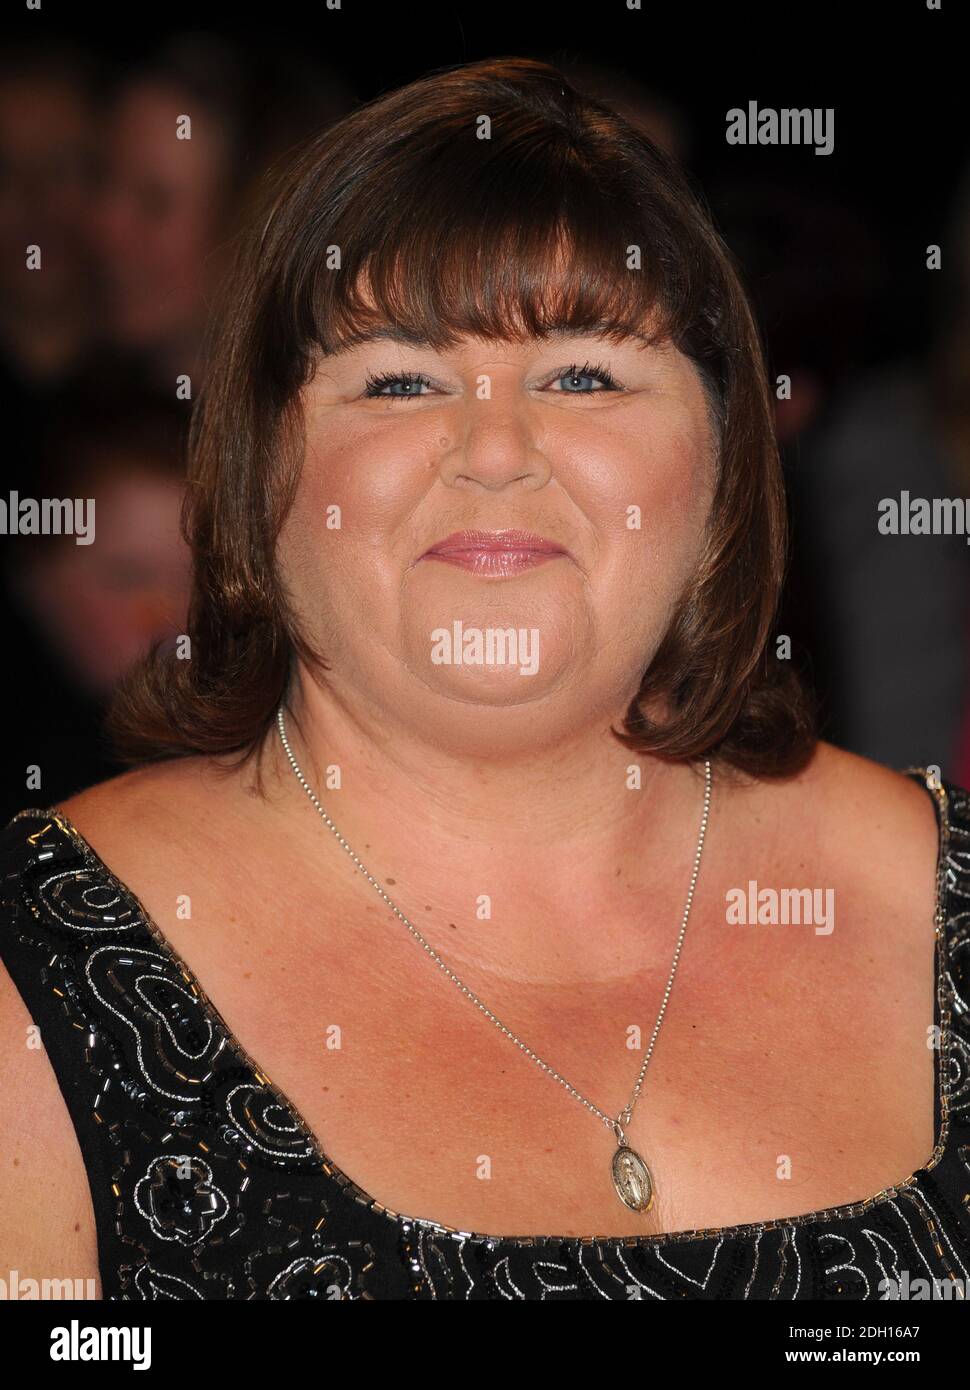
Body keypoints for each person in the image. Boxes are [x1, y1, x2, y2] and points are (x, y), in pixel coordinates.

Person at [0, 58, 965, 1302]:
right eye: (397, 380)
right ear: (254, 470)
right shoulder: (43, 988)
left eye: (584, 374)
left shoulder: (937, 903)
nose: (497, 449)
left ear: (723, 466)